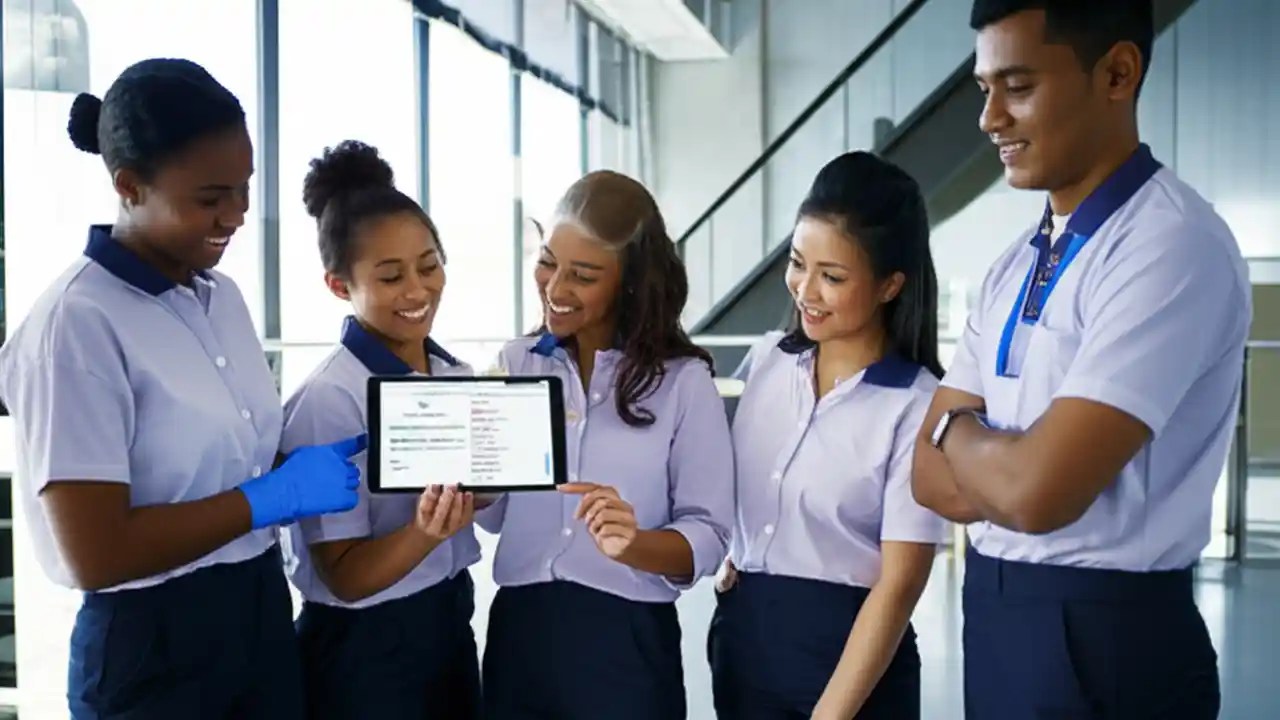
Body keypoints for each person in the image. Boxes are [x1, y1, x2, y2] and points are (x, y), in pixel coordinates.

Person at [912, 2, 1249, 718]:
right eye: (984, 89)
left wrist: (954, 431)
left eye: (1019, 85)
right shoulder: (1015, 263)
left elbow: (1039, 494)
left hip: (1109, 637)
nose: (989, 118)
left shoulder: (1170, 247)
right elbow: (926, 479)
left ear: (1117, 73)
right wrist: (997, 459)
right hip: (999, 614)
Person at [0, 58, 365, 719]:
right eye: (210, 198)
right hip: (153, 645)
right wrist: (269, 498)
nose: (237, 214)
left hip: (256, 612)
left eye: (246, 188)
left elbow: (215, 461)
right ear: (129, 185)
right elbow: (96, 552)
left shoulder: (218, 297)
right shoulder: (75, 326)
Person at [477, 171, 734, 720]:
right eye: (548, 261)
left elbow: (709, 535)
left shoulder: (684, 383)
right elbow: (497, 512)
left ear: (630, 281)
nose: (554, 287)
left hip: (627, 645)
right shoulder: (516, 363)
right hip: (519, 636)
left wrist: (633, 543)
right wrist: (473, 487)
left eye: (583, 276)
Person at [707, 152, 946, 720]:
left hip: (853, 662)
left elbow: (899, 585)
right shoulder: (766, 360)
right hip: (745, 645)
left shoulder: (918, 403)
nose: (805, 290)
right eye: (797, 263)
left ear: (890, 285)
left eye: (832, 276)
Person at [279, 140, 483, 719]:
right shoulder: (329, 400)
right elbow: (344, 578)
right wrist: (427, 529)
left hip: (447, 623)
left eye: (430, 264)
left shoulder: (454, 375)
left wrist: (491, 483)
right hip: (362, 652)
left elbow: (477, 505)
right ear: (340, 286)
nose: (418, 291)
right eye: (391, 277)